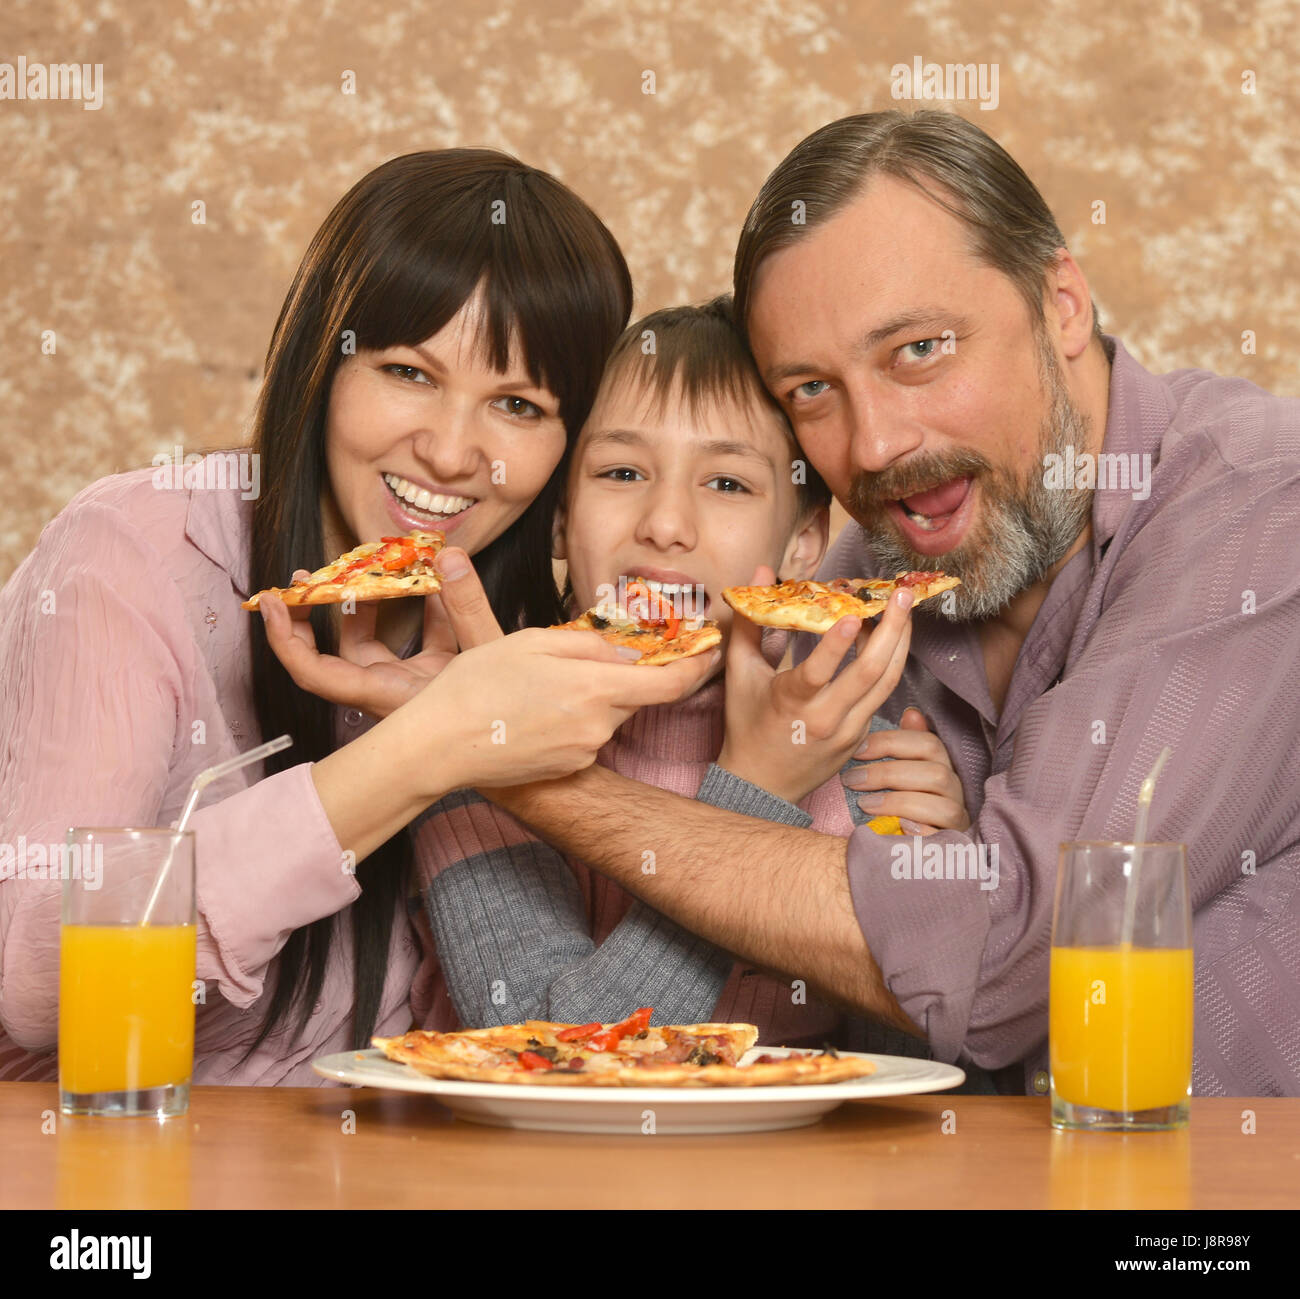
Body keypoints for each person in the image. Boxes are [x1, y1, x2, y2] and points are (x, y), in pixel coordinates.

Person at [398, 112, 1297, 1097]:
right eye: (813, 389)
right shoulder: (840, 603)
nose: (872, 445)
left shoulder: (1257, 506)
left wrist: (497, 765)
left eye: (918, 350)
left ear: (1063, 303)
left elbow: (1001, 963)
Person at [0, 149, 715, 1086]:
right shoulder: (131, 550)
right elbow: (35, 978)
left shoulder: (525, 636)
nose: (454, 451)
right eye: (410, 373)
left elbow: (548, 1028)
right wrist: (427, 749)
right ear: (320, 356)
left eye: (517, 404)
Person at [409, 297, 970, 1046]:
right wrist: (755, 792)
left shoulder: (866, 759)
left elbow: (925, 1051)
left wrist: (946, 859)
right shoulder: (474, 740)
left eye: (727, 483)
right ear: (559, 518)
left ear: (805, 546)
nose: (666, 523)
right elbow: (551, 1053)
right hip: (535, 1165)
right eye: (621, 471)